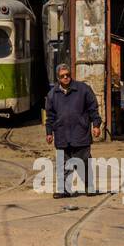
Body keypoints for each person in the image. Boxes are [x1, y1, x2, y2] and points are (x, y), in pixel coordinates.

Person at [44, 64, 102, 198]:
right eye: (62, 76)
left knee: (84, 162)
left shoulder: (83, 89)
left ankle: (89, 187)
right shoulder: (52, 94)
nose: (66, 78)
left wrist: (96, 125)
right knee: (62, 164)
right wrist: (49, 132)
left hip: (80, 133)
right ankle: (63, 189)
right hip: (61, 134)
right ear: (58, 78)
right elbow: (50, 116)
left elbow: (93, 108)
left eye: (68, 75)